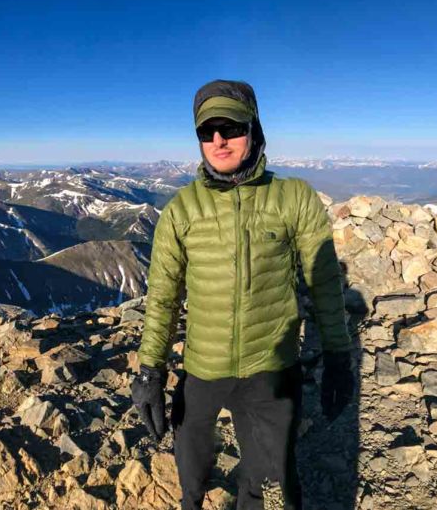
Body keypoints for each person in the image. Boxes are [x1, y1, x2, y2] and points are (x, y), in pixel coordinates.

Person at [131, 79, 356, 510]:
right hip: (203, 366)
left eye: (230, 127)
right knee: (191, 471)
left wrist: (338, 356)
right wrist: (150, 372)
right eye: (206, 130)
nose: (218, 139)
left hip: (271, 366)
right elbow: (163, 296)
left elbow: (324, 281)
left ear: (254, 129)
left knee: (271, 480)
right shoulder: (181, 209)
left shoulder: (293, 198)